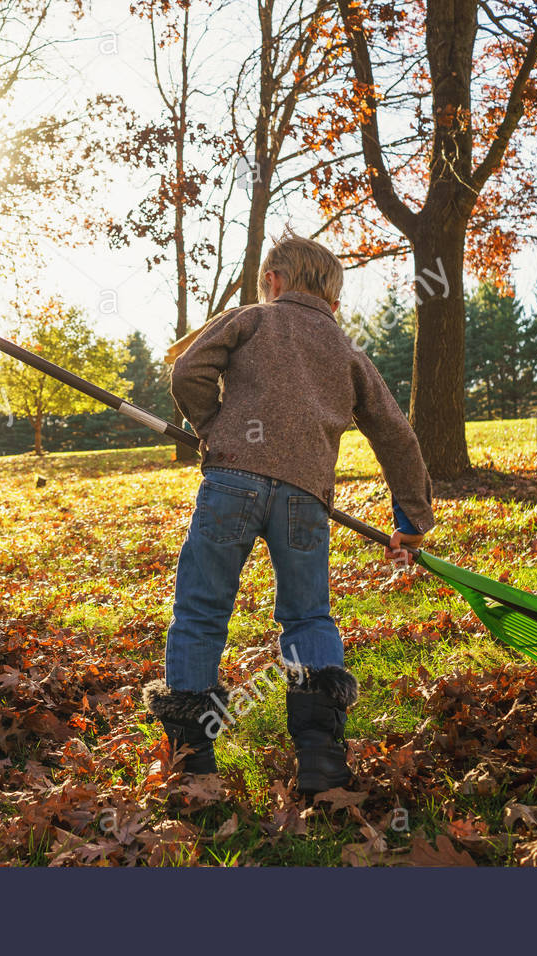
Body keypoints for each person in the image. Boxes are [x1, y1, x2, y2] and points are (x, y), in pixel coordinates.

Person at [142, 229, 436, 795]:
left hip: (230, 483)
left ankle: (192, 767)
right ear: (333, 299)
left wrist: (215, 428)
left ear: (273, 282)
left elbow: (188, 372)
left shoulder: (252, 317)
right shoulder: (347, 351)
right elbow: (396, 435)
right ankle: (322, 765)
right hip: (306, 497)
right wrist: (411, 522)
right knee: (307, 617)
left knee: (202, 611)